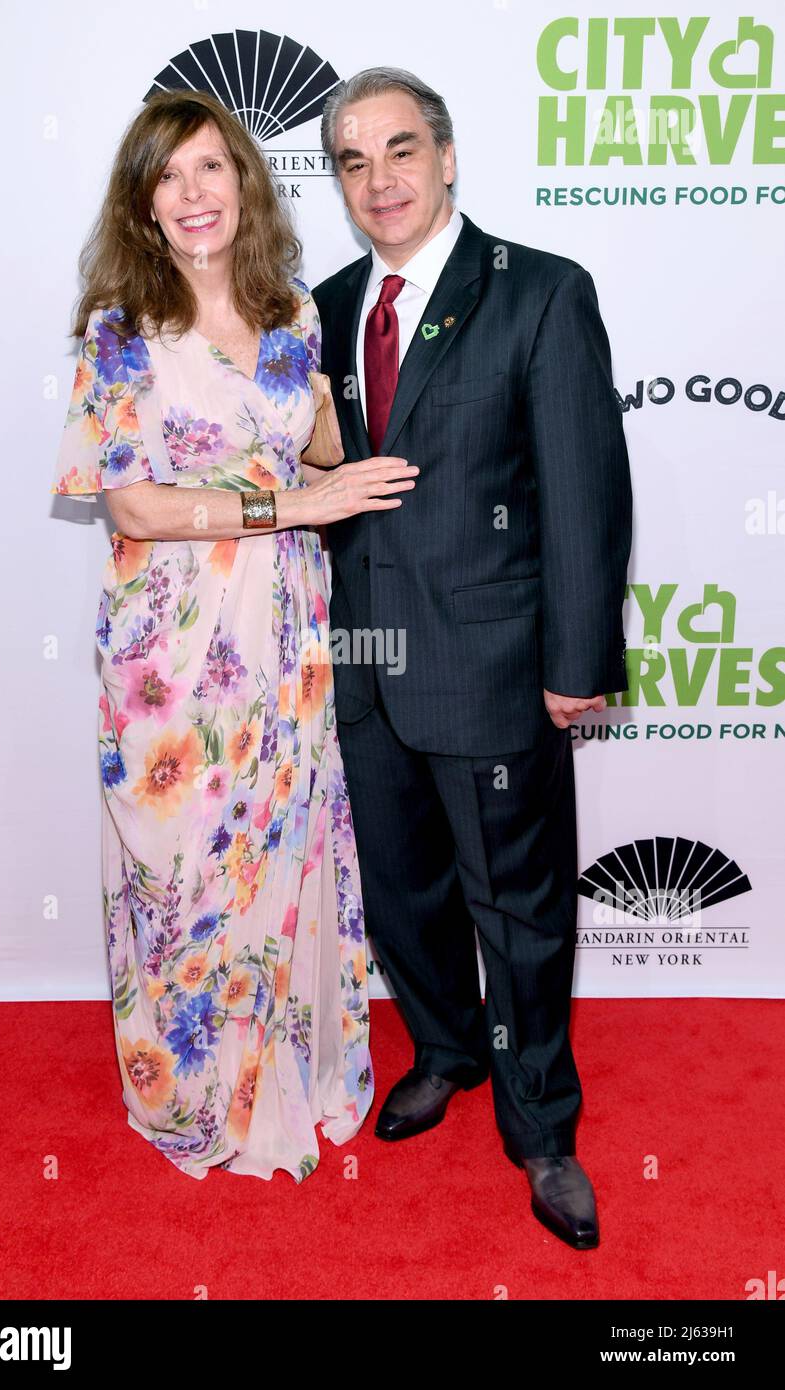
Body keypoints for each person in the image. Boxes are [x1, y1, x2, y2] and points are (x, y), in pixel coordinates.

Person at [51, 89, 418, 1182]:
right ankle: (196, 1080)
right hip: (170, 653)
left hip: (286, 630)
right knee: (181, 866)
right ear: (143, 206)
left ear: (244, 182)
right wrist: (292, 507)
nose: (194, 193)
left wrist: (350, 463)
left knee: (284, 836)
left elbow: (316, 453)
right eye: (169, 177)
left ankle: (283, 1065)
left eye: (212, 168)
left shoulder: (292, 316)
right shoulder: (118, 334)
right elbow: (134, 508)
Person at [312, 67, 633, 1246]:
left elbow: (585, 492)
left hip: (497, 668)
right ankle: (446, 1049)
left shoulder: (540, 293)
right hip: (364, 664)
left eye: (401, 150)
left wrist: (576, 660)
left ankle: (541, 1124)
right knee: (403, 894)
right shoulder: (328, 302)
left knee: (522, 912)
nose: (380, 179)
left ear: (446, 159)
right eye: (353, 161)